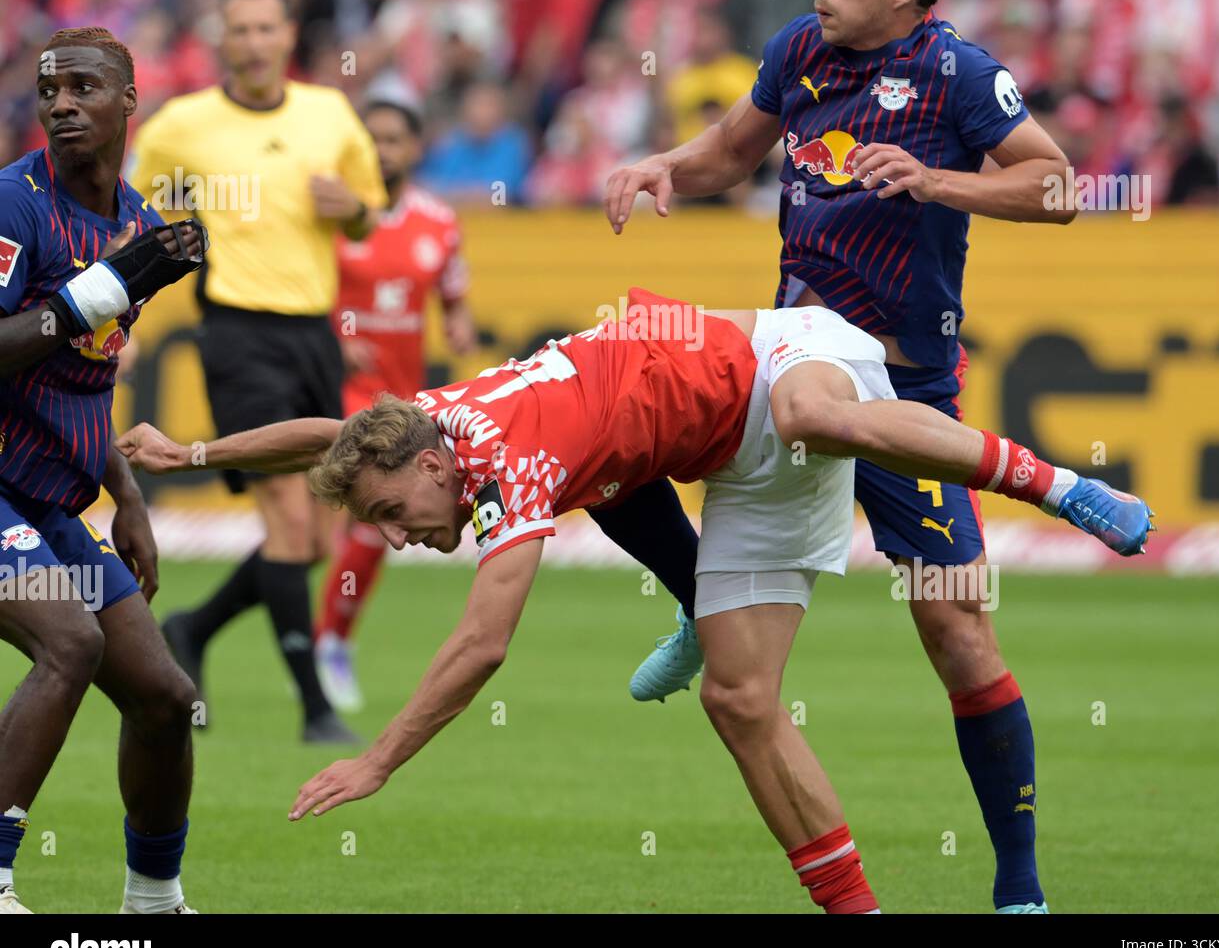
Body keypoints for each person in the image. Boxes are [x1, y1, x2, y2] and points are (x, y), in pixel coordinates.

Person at [116, 290, 1152, 914]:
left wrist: (376, 757)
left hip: (783, 355)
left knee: (803, 411)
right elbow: (325, 432)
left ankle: (1061, 485)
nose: (393, 534)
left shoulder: (509, 464)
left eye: (392, 510)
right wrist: (193, 453)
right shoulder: (428, 422)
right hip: (727, 464)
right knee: (740, 700)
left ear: (433, 466)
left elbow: (482, 644)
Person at [603, 0, 1093, 913]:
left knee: (957, 633)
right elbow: (732, 154)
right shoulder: (799, 52)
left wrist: (935, 180)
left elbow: (1056, 186)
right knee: (630, 417)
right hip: (790, 368)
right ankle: (703, 600)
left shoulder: (959, 73)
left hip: (901, 384)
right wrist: (661, 165)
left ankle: (1018, 883)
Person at [129, 0, 388, 744]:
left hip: (312, 333)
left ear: (288, 36)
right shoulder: (184, 127)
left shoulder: (329, 114)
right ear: (222, 38)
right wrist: (122, 314)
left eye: (266, 28)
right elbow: (127, 216)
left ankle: (194, 625)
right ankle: (313, 706)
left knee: (311, 539)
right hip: (237, 331)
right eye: (238, 29)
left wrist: (359, 211)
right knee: (286, 518)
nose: (253, 43)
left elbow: (367, 220)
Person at [0, 27, 207, 915]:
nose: (62, 104)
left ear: (131, 101)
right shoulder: (15, 203)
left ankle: (153, 903)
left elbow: (93, 368)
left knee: (163, 698)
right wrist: (103, 286)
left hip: (54, 498)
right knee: (70, 641)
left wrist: (128, 496)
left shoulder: (138, 228)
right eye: (50, 90)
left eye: (84, 87)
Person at [315, 97, 477, 711]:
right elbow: (300, 287)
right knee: (357, 524)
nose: (382, 151)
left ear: (413, 149)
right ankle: (328, 640)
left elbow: (453, 293)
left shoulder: (438, 222)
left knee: (377, 526)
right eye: (372, 139)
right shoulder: (331, 215)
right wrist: (337, 337)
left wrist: (458, 323)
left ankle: (328, 638)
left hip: (401, 401)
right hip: (337, 390)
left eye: (393, 139)